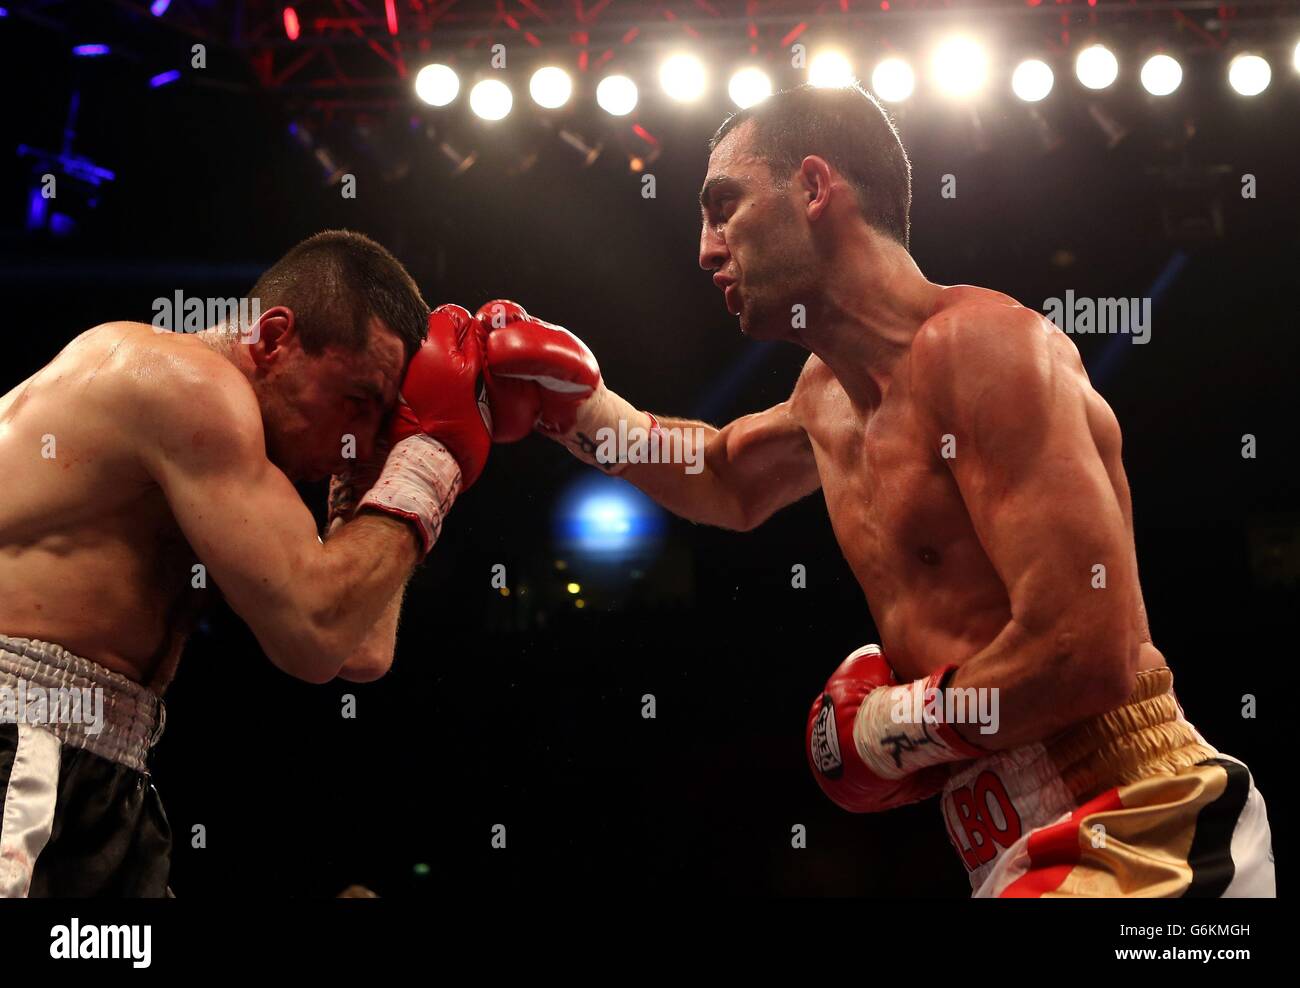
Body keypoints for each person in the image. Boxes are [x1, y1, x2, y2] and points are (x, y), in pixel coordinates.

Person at [471, 84, 1274, 897]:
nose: (706, 250)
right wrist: (578, 410)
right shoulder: (826, 395)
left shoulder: (985, 350)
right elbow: (722, 474)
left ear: (816, 189)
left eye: (725, 206)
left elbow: (1087, 656)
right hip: (1015, 843)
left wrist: (892, 728)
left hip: (1143, 825)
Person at [0, 229, 491, 896]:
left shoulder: (237, 454)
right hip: (23, 741)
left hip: (102, 766)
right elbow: (315, 632)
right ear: (272, 339)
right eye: (357, 402)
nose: (361, 442)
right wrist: (429, 463)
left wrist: (375, 477)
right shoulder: (184, 383)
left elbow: (355, 647)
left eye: (382, 425)